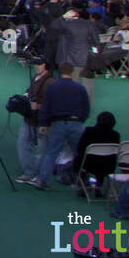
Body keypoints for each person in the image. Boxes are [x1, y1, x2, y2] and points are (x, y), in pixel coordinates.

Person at [31, 63, 90, 191]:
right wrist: (80, 120)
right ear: (72, 72)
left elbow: (45, 106)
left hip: (58, 123)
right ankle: (83, 181)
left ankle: (42, 180)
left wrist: (43, 123)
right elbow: (86, 107)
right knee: (79, 154)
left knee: (51, 153)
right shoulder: (80, 88)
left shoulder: (53, 87)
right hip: (76, 123)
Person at [15, 59, 52, 184]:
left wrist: (38, 106)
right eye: (36, 64)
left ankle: (37, 174)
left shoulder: (50, 82)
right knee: (23, 144)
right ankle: (29, 172)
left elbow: (51, 103)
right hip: (29, 117)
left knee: (41, 149)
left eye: (40, 64)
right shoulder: (35, 78)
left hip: (42, 120)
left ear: (46, 66)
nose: (37, 67)